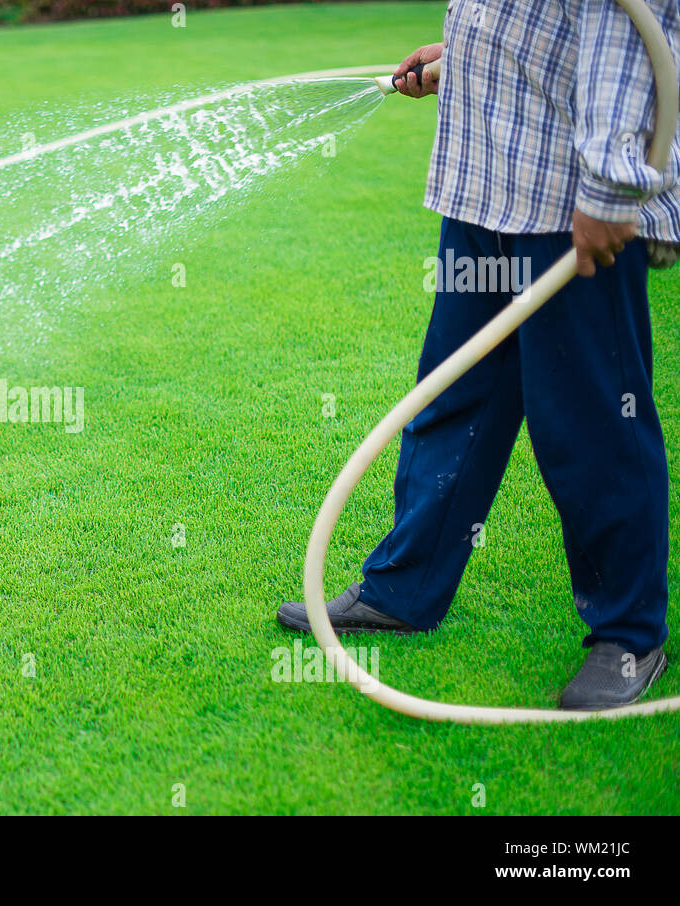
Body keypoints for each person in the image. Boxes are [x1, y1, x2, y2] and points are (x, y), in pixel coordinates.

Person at [276, 0, 680, 710]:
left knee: (590, 420)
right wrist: (466, 56)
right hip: (487, 175)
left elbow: (627, 30)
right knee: (456, 393)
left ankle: (629, 635)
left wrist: (612, 182)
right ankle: (407, 586)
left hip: (567, 192)